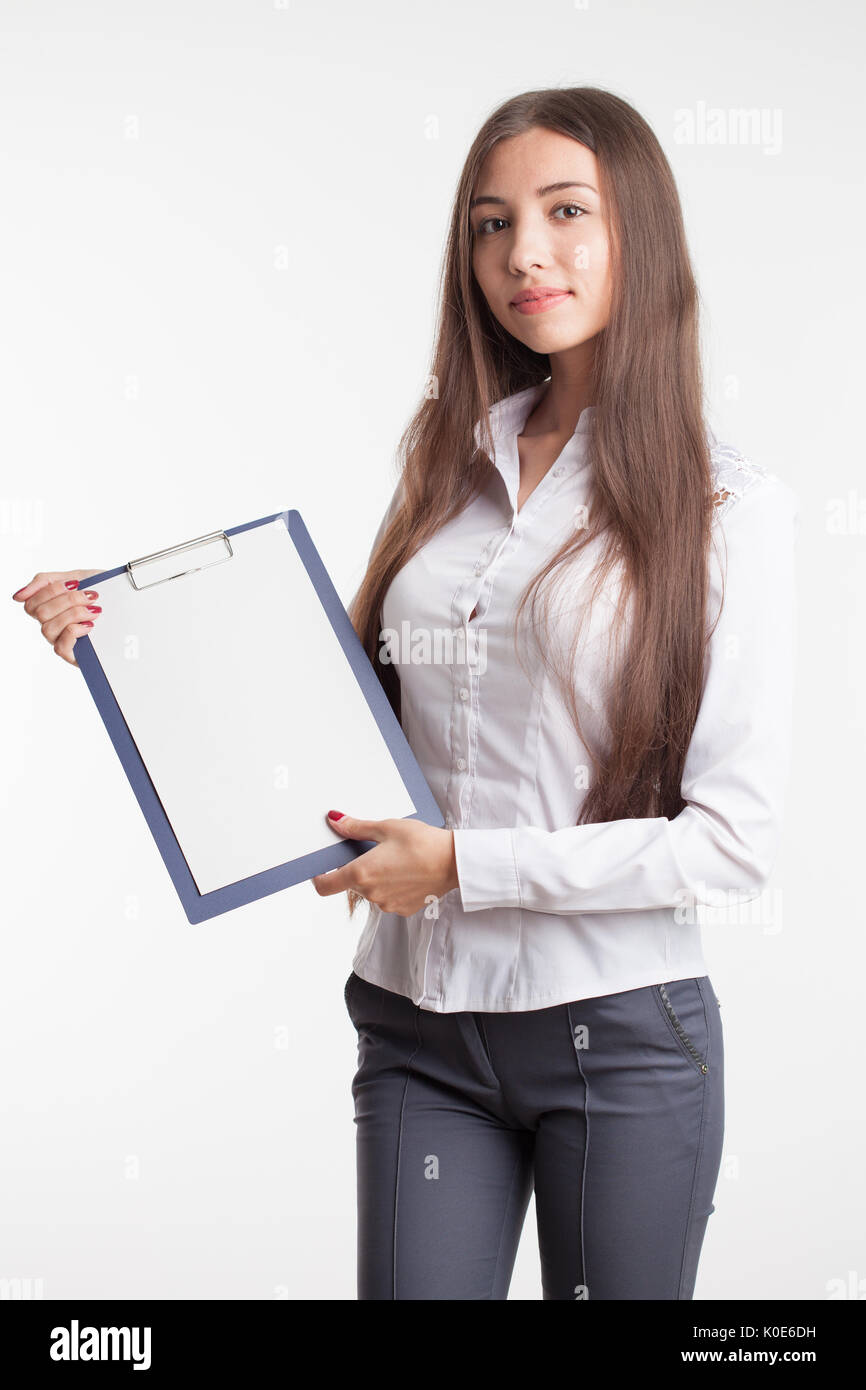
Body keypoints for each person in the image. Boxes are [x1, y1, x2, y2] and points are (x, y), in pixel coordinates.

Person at [13, 86, 799, 1302]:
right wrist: (127, 637)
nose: (521, 252)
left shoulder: (723, 509)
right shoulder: (447, 469)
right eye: (490, 223)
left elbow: (732, 842)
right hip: (416, 1027)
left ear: (639, 228)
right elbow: (348, 709)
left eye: (564, 211)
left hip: (617, 1041)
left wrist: (460, 866)